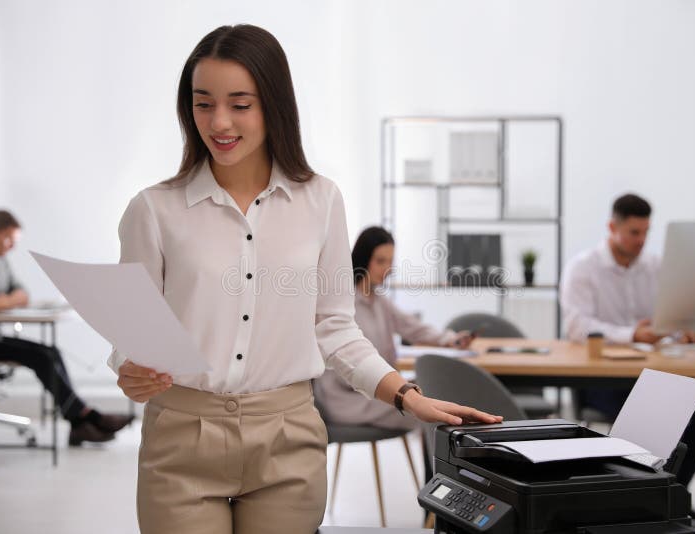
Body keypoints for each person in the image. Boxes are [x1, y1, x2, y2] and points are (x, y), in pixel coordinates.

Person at [110, 25, 501, 534]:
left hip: (287, 439)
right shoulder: (153, 210)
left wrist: (405, 395)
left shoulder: (321, 200)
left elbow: (334, 327)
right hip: (182, 439)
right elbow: (131, 333)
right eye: (203, 103)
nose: (219, 121)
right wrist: (129, 367)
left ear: (274, 104)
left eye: (240, 104)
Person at [560, 193, 695, 519]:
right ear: (612, 228)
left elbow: (671, 317)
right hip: (603, 381)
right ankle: (649, 499)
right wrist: (632, 334)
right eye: (633, 232)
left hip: (655, 375)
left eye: (645, 232)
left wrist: (686, 330)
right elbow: (577, 328)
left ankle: (669, 493)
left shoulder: (656, 267)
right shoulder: (583, 268)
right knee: (661, 411)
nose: (641, 240)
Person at [0, 210, 134, 445]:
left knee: (51, 352)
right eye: (8, 239)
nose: (11, 247)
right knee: (41, 357)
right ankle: (85, 417)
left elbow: (21, 293)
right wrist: (3, 302)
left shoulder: (0, 260)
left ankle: (79, 420)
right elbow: (7, 299)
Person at [314, 226, 474, 431]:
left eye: (390, 261)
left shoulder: (379, 301)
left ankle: (443, 451)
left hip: (375, 390)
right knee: (430, 408)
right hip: (347, 399)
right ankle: (441, 452)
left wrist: (450, 339)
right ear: (363, 258)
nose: (387, 268)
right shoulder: (342, 304)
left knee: (433, 395)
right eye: (380, 261)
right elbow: (344, 366)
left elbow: (413, 327)